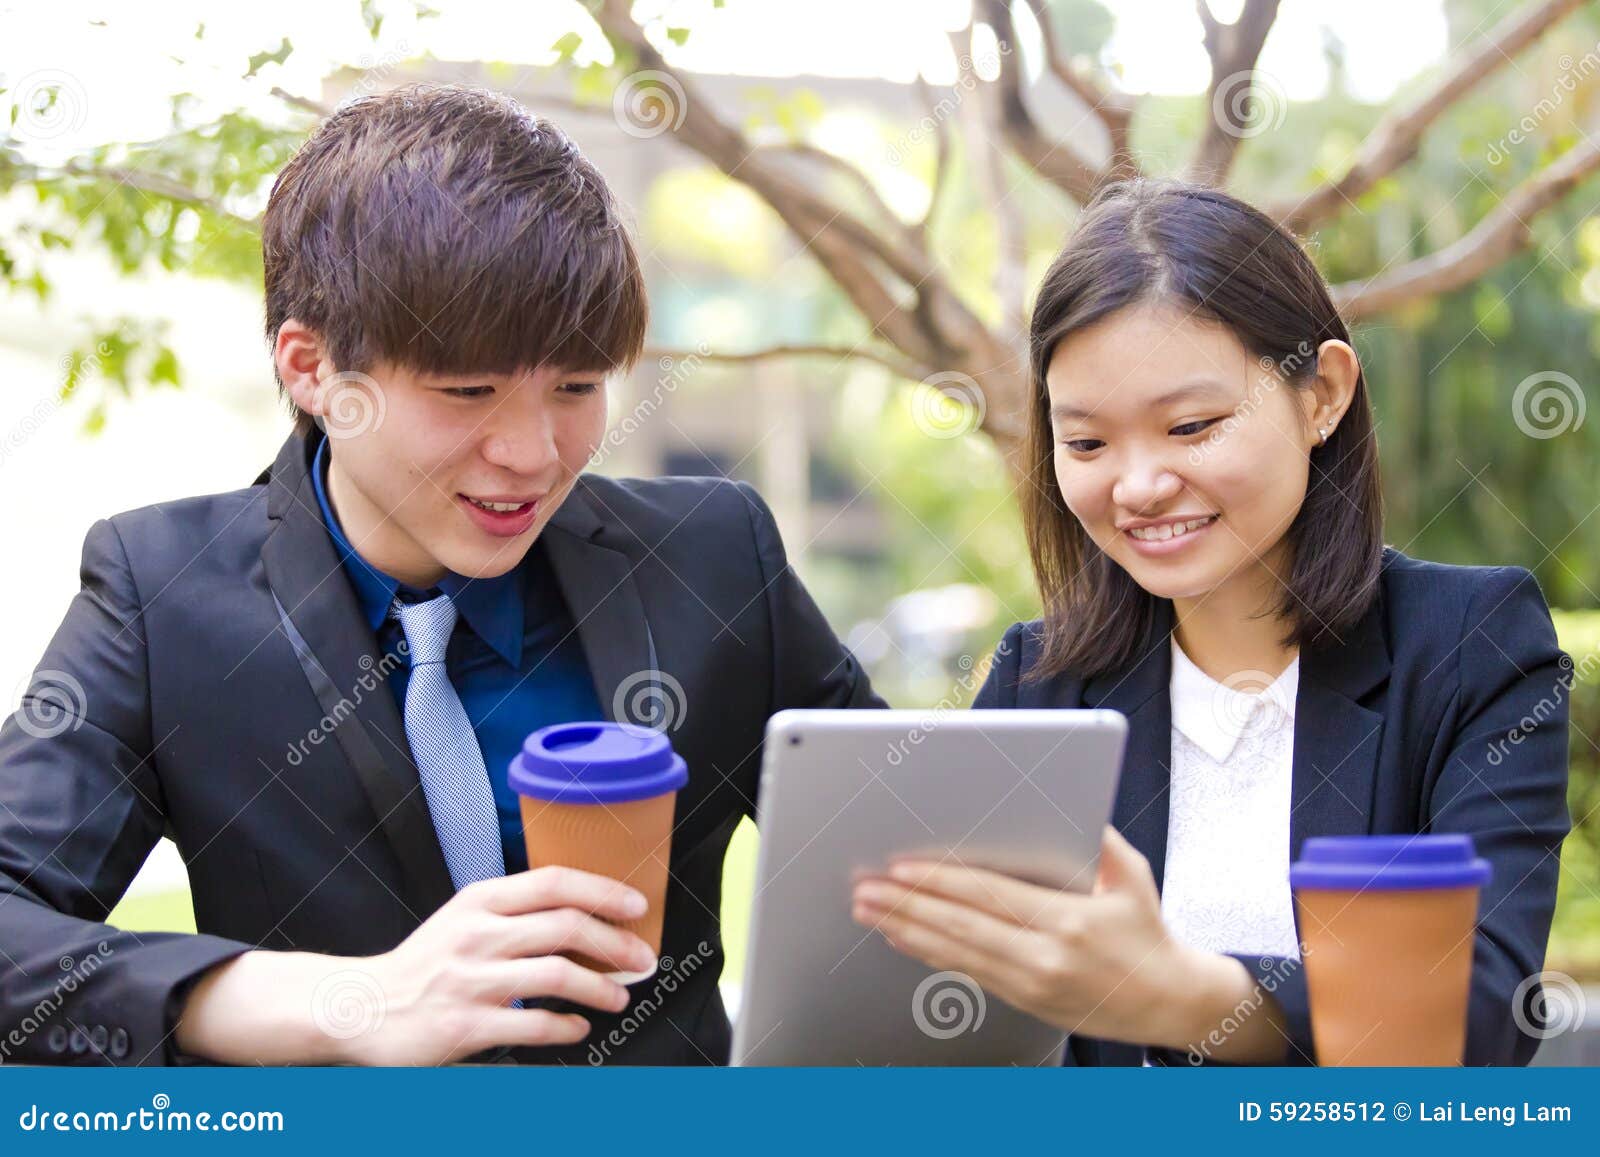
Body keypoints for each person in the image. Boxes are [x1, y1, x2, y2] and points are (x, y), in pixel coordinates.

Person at [0, 84, 880, 1067]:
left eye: (577, 386)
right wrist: (344, 1001)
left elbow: (916, 836)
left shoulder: (714, 555)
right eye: (468, 391)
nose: (533, 453)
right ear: (312, 368)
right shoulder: (161, 594)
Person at [851, 179, 1572, 1066]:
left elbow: (1483, 1011)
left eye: (1191, 425)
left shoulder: (1469, 646)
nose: (1139, 485)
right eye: (1087, 442)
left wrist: (1186, 997)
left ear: (1323, 393)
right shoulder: (1039, 685)